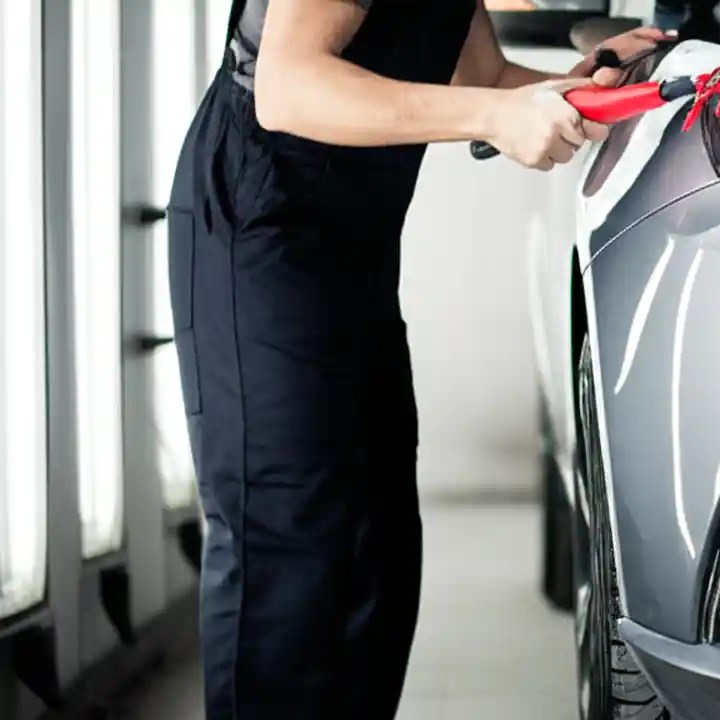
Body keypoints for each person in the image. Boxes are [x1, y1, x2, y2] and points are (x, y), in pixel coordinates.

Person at [166, 1, 665, 718]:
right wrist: (498, 119)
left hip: (350, 240)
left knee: (376, 552)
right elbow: (288, 86)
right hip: (264, 230)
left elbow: (486, 75)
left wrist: (588, 93)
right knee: (294, 552)